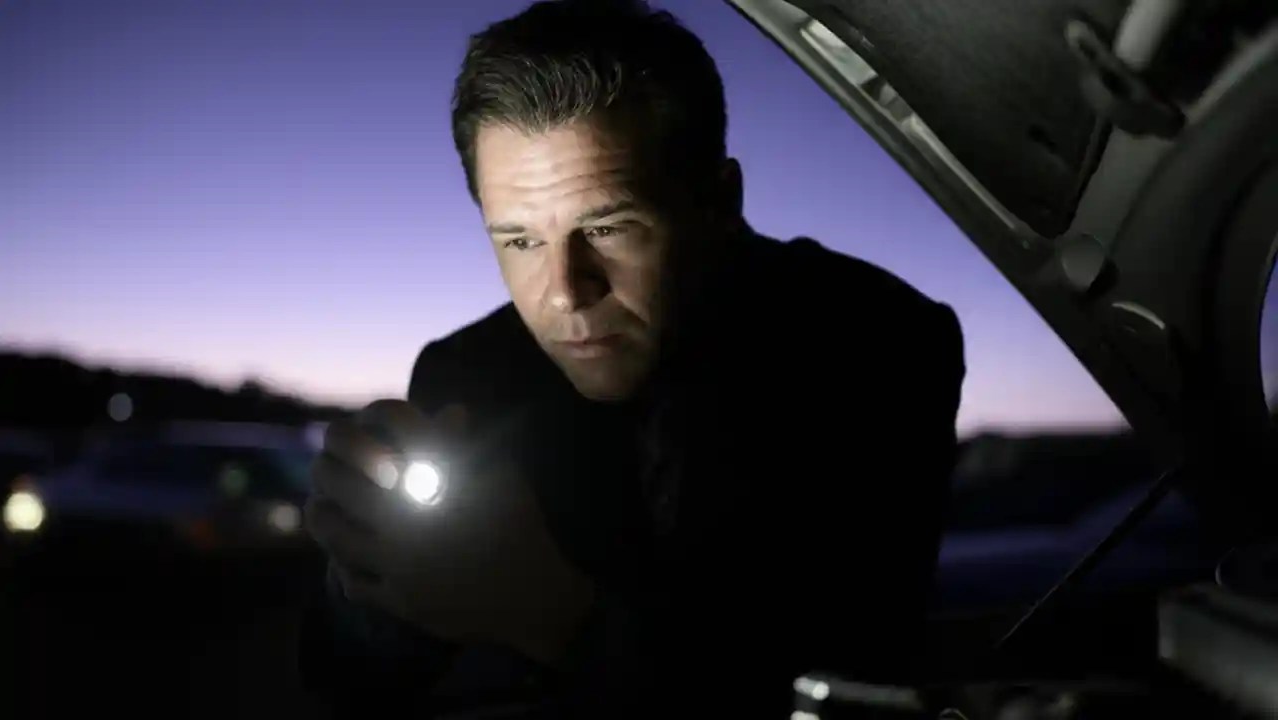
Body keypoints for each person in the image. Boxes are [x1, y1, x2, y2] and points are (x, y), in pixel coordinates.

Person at [297, 0, 965, 716]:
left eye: (608, 227)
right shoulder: (467, 373)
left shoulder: (878, 344)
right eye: (520, 241)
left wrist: (552, 615)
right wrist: (365, 582)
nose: (565, 294)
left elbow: (848, 687)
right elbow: (348, 687)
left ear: (719, 201)